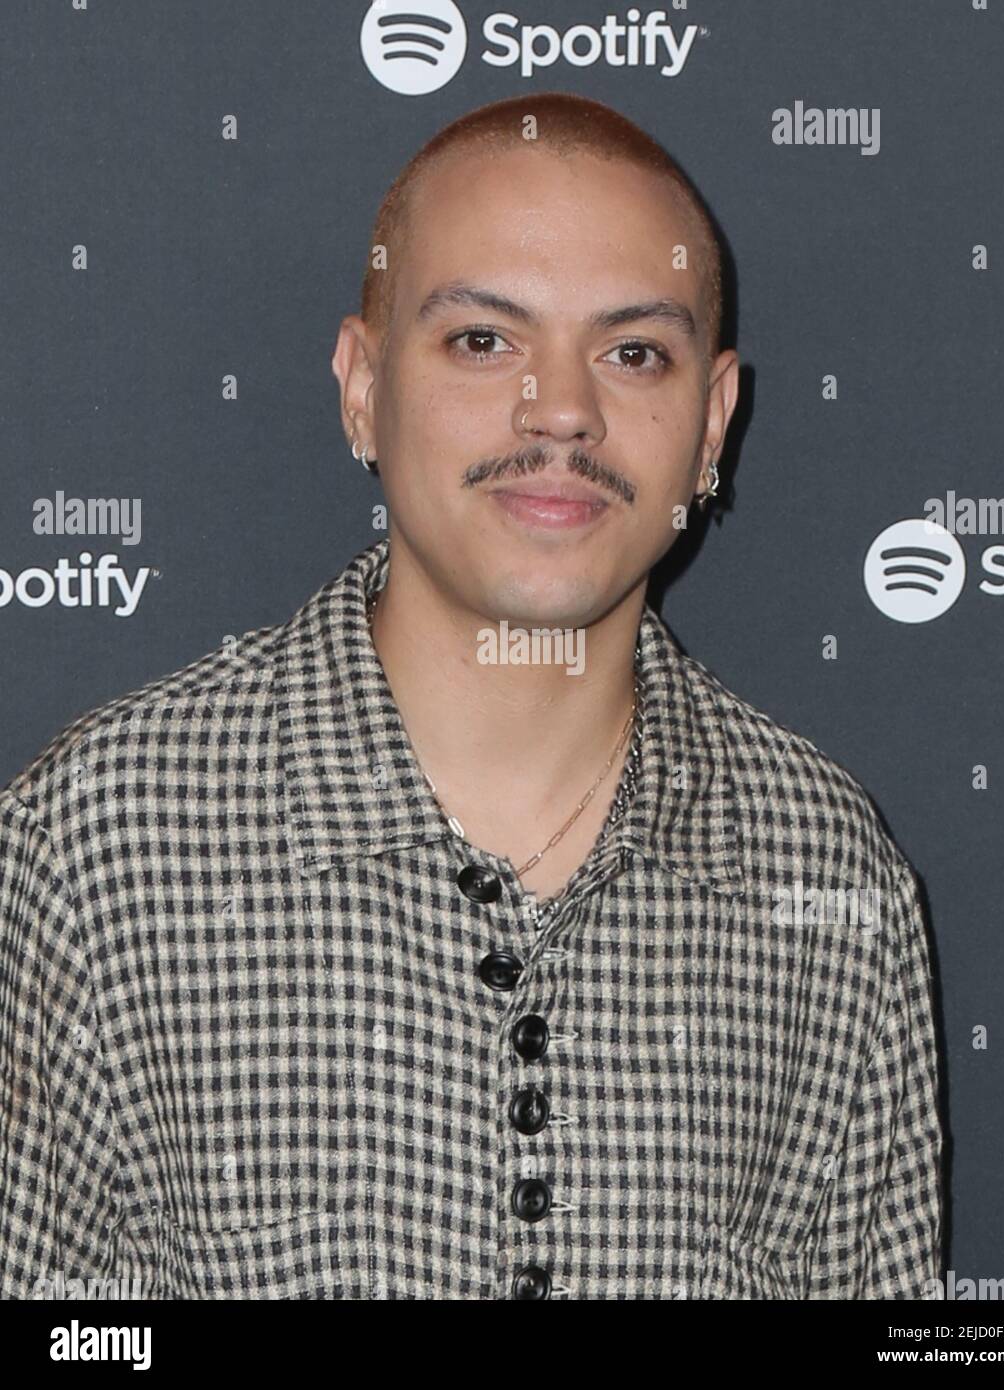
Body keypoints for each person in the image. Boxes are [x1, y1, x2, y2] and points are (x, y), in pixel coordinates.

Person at [0, 92, 943, 1300]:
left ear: (711, 425)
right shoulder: (91, 844)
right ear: (360, 387)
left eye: (633, 351)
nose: (562, 409)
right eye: (484, 340)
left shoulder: (831, 871)